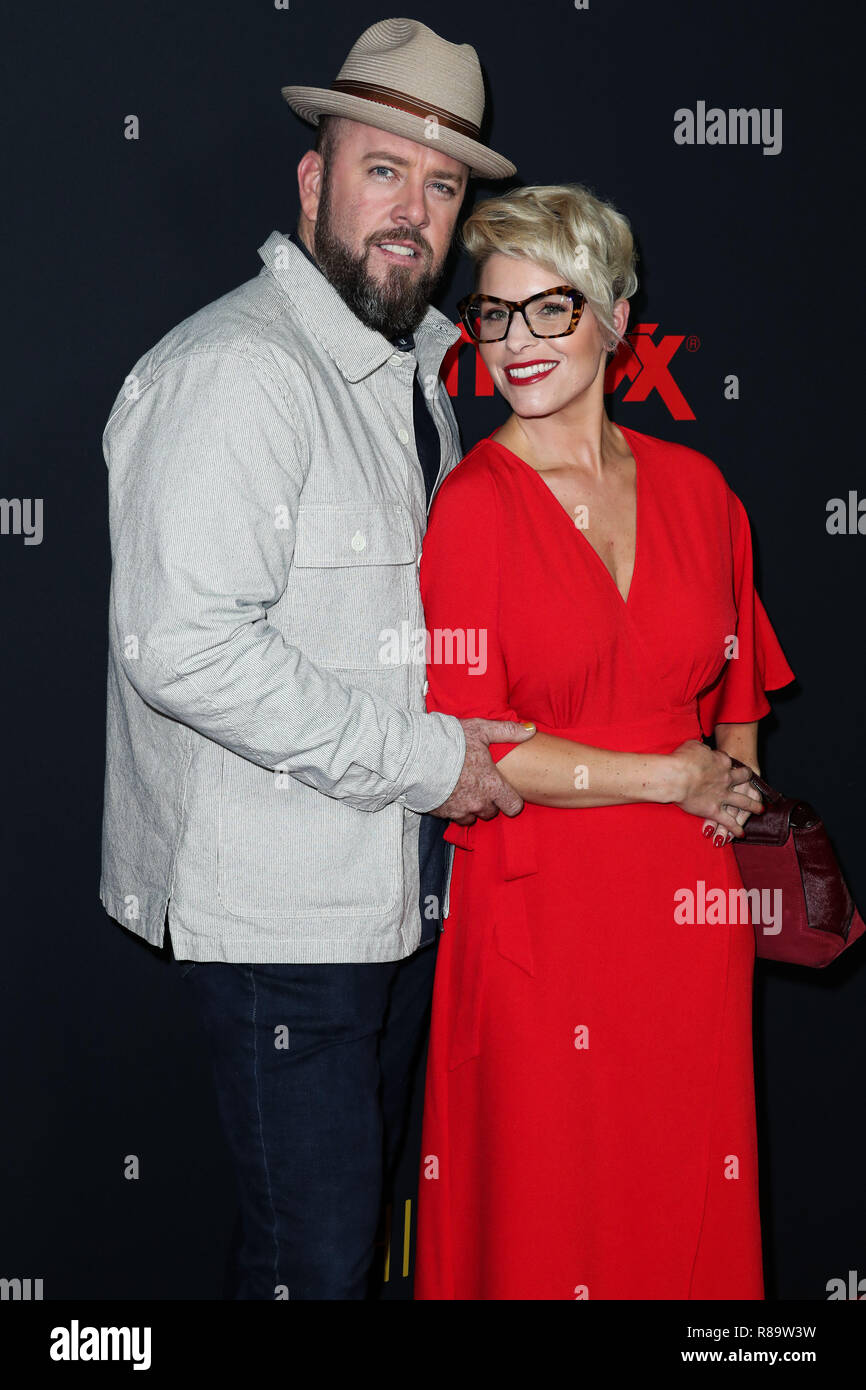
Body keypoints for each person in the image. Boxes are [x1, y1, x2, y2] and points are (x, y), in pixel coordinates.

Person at [99, 17, 535, 1300]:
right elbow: (180, 647)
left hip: (387, 901)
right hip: (283, 920)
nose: (412, 209)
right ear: (313, 180)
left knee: (348, 1255)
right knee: (316, 1264)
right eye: (382, 168)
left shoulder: (419, 379)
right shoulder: (239, 369)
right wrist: (427, 762)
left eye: (441, 183)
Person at [414, 183, 796, 1300]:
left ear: (616, 317)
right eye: (492, 314)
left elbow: (741, 687)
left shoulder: (698, 489)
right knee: (550, 1214)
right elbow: (476, 751)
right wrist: (668, 775)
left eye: (550, 309)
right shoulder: (474, 507)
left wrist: (733, 789)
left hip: (684, 919)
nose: (516, 343)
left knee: (679, 1206)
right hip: (540, 916)